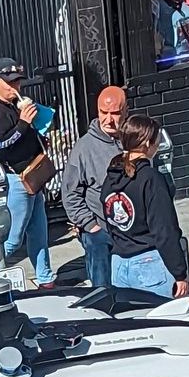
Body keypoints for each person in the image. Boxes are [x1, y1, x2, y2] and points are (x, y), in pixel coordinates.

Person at [0, 57, 56, 289]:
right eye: (9, 83)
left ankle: (45, 277)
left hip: (33, 175)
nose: (15, 87)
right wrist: (23, 123)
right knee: (11, 240)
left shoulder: (13, 104)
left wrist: (38, 132)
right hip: (16, 180)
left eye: (18, 82)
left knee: (39, 232)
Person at [102, 113, 189, 298]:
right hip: (149, 263)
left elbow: (110, 222)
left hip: (118, 264)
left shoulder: (110, 177)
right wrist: (180, 272)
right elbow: (164, 230)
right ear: (148, 143)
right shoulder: (151, 178)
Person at [63, 85, 128, 288]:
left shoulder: (133, 138)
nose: (109, 119)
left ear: (126, 112)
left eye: (115, 113)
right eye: (103, 112)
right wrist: (91, 226)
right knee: (102, 286)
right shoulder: (84, 149)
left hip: (132, 227)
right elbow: (70, 194)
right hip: (100, 229)